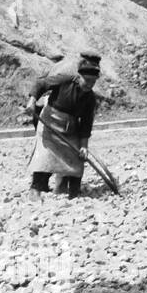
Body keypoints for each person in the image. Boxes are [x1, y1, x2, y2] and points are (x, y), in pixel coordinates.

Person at [26, 53, 101, 198]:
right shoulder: (64, 80)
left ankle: (69, 190)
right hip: (49, 122)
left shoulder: (90, 98)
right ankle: (37, 188)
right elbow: (41, 84)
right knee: (45, 156)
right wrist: (32, 100)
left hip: (70, 128)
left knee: (75, 157)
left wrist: (84, 146)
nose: (90, 84)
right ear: (79, 76)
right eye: (87, 80)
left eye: (93, 81)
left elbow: (86, 124)